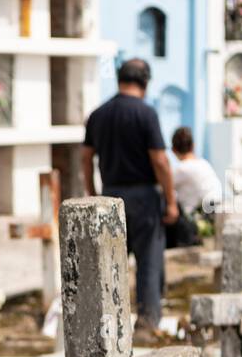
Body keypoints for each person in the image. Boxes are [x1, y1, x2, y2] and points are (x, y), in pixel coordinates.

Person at [81, 58, 178, 333]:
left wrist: (93, 194)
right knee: (148, 260)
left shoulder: (97, 114)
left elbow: (85, 158)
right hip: (144, 196)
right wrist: (171, 201)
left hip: (111, 195)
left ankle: (111, 324)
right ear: (145, 82)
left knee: (111, 261)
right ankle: (147, 323)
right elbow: (160, 161)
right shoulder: (146, 114)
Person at [170, 126, 222, 215]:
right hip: (216, 209)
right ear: (193, 145)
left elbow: (163, 187)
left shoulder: (181, 169)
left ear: (173, 150)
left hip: (200, 215)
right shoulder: (204, 163)